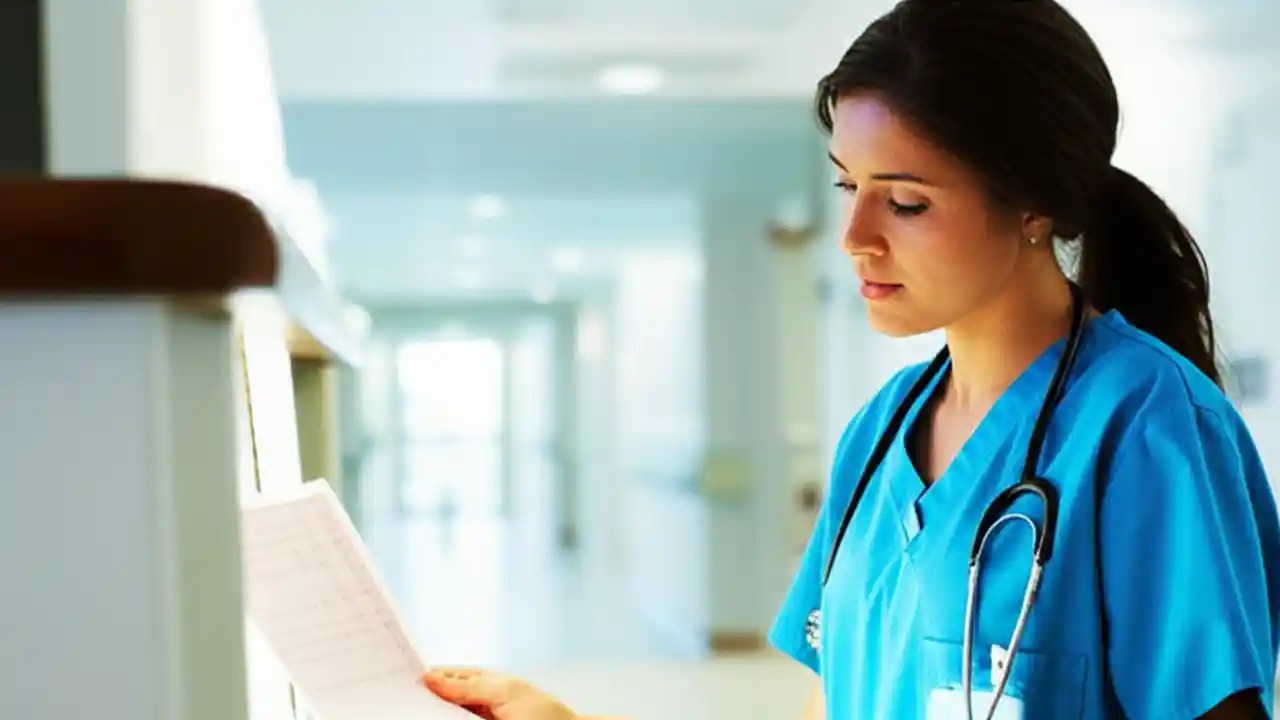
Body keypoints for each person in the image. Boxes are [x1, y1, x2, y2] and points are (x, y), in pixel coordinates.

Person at [421, 1, 1280, 718]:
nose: (854, 237)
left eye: (904, 202)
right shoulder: (882, 431)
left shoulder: (1149, 427)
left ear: (1035, 205)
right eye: (846, 186)